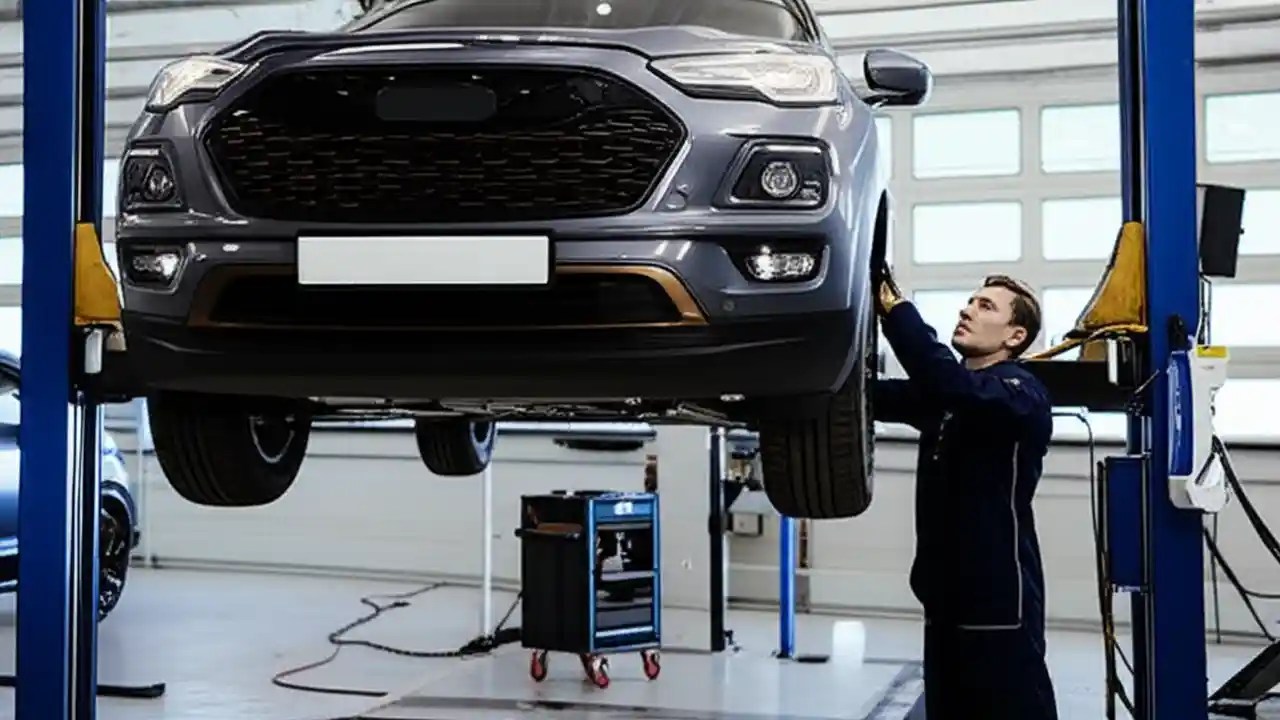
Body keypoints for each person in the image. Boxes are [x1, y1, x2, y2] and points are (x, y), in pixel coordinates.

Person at [872, 266, 1058, 720]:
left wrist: (897, 312)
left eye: (985, 305)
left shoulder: (1020, 394)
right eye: (971, 301)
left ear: (1015, 336)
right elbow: (867, 396)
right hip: (944, 601)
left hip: (997, 605)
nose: (967, 309)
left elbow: (949, 384)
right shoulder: (948, 397)